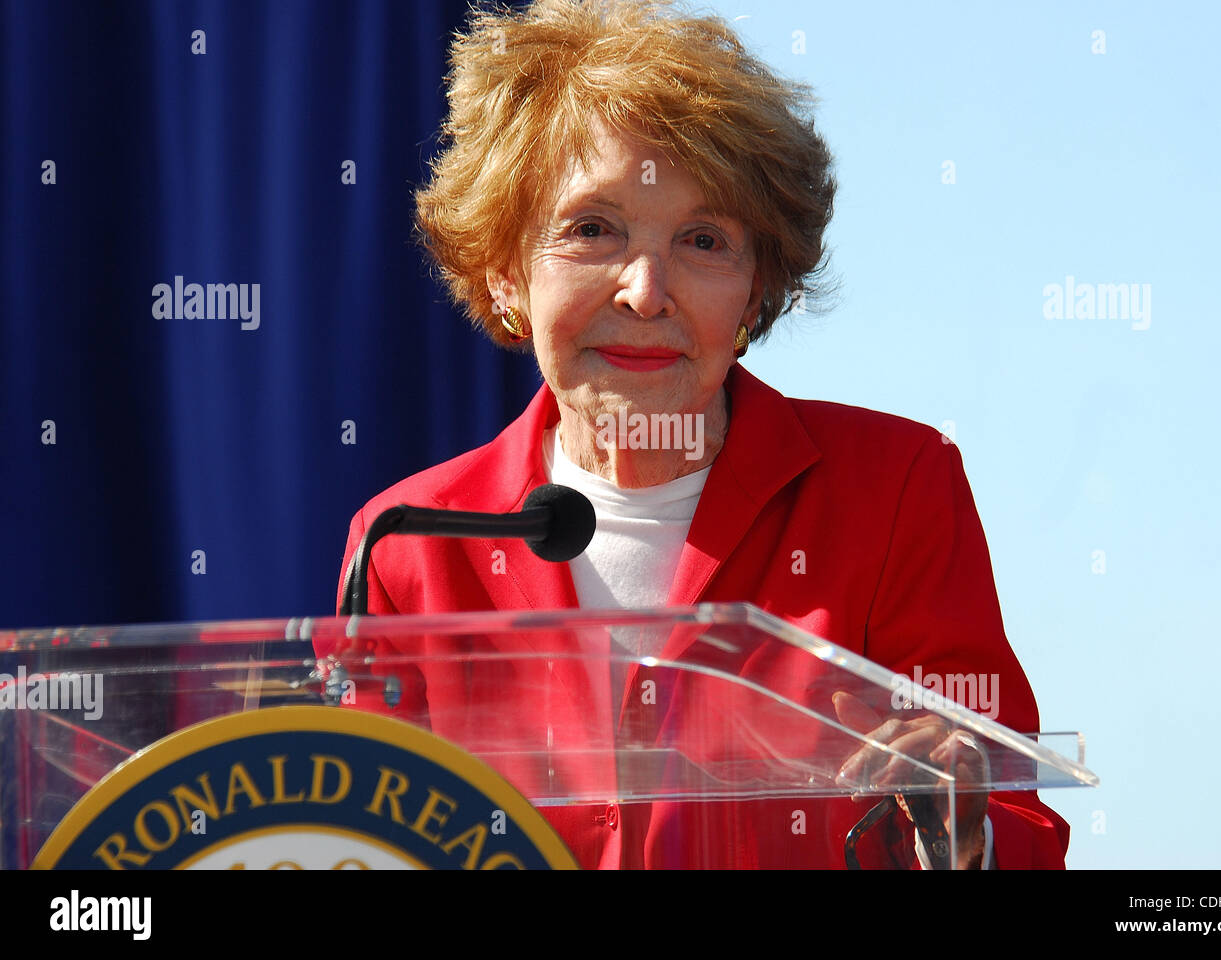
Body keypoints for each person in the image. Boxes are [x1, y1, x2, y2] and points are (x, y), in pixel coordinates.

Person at [320, 0, 1069, 869]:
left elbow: (1015, 827)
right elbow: (358, 841)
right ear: (504, 272)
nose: (646, 290)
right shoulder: (410, 542)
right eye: (591, 230)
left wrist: (961, 828)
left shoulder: (897, 489)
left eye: (704, 240)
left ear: (756, 293)